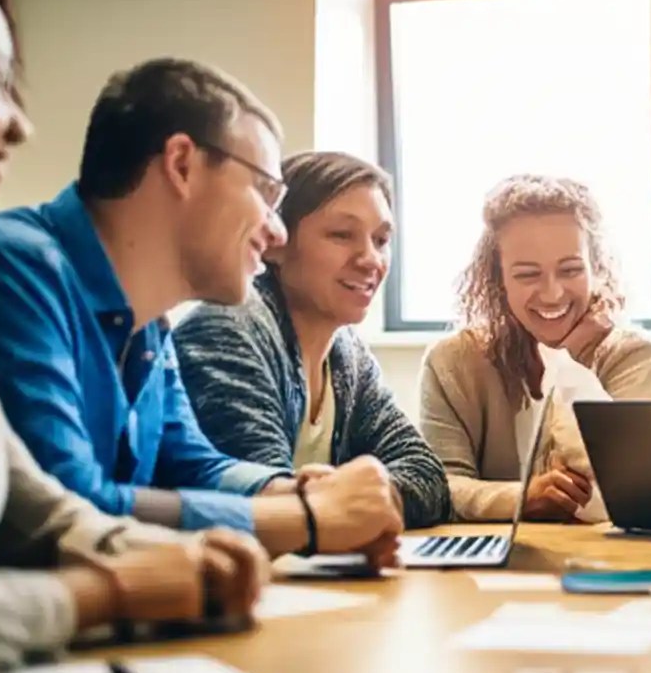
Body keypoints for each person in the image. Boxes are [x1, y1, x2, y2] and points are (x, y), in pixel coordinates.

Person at [0, 0, 268, 673]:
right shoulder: (2, 266)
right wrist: (103, 590)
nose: (20, 126)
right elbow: (70, 490)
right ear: (180, 162)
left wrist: (151, 552)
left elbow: (43, 507)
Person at [0, 57, 403, 561]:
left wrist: (295, 493)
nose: (277, 233)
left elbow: (193, 465)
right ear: (182, 164)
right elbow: (65, 508)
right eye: (266, 194)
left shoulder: (150, 323)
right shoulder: (10, 268)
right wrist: (307, 520)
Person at [173, 151, 450, 530]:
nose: (371, 259)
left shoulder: (348, 355)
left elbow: (428, 477)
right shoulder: (226, 331)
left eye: (381, 239)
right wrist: (343, 505)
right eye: (341, 235)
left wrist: (359, 504)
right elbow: (265, 506)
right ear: (276, 240)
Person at [420, 174, 651, 521]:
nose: (552, 293)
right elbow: (438, 486)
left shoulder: (635, 360)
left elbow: (606, 493)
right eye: (527, 275)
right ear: (498, 279)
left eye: (570, 270)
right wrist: (520, 498)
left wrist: (566, 361)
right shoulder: (451, 363)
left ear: (595, 269)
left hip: (595, 560)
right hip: (481, 566)